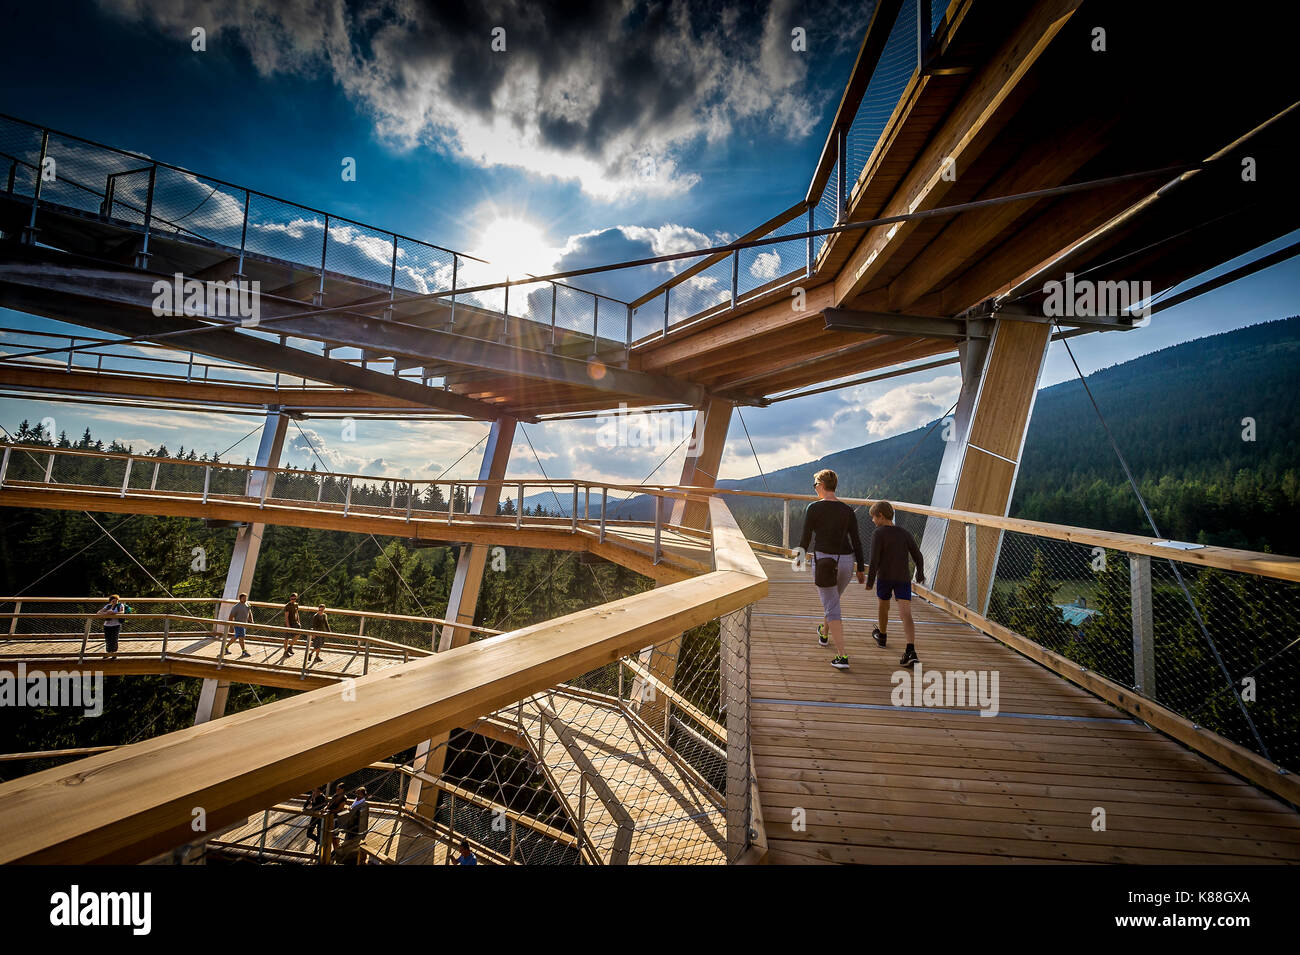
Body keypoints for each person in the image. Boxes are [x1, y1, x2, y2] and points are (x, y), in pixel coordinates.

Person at [797, 469, 864, 670]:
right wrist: (860, 567)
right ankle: (824, 634)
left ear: (821, 485)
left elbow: (806, 536)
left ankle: (842, 656)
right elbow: (857, 541)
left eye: (815, 485)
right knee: (832, 601)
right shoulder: (847, 510)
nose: (815, 488)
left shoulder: (814, 508)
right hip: (846, 562)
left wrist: (799, 558)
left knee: (832, 606)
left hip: (825, 561)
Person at [864, 500, 926, 667]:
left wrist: (870, 581)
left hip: (885, 577)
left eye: (873, 517)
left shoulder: (878, 534)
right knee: (905, 613)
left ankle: (882, 636)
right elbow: (918, 556)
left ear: (881, 516)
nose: (872, 521)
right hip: (902, 578)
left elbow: (874, 560)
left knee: (883, 606)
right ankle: (910, 650)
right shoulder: (904, 533)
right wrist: (920, 573)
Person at [96, 595, 127, 659]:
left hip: (116, 625)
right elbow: (99, 612)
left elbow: (122, 612)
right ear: (110, 601)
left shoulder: (120, 605)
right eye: (113, 601)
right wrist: (107, 613)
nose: (115, 602)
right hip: (107, 625)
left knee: (114, 639)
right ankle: (108, 653)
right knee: (108, 639)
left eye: (116, 600)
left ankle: (114, 653)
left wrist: (113, 613)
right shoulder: (107, 606)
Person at [227, 593, 252, 658]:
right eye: (244, 598)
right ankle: (244, 652)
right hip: (238, 624)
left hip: (244, 624)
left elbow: (249, 613)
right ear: (240, 598)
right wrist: (231, 626)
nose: (245, 599)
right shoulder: (236, 607)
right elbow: (230, 617)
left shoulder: (247, 604)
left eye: (246, 598)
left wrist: (251, 620)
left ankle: (226, 647)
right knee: (241, 637)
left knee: (236, 636)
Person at [282, 593, 302, 657]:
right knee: (287, 638)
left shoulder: (296, 605)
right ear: (290, 598)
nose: (293, 600)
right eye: (292, 598)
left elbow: (297, 613)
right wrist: (288, 626)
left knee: (298, 634)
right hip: (289, 623)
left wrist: (299, 622)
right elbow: (286, 617)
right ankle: (285, 651)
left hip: (295, 622)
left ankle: (290, 647)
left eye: (295, 598)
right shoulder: (287, 606)